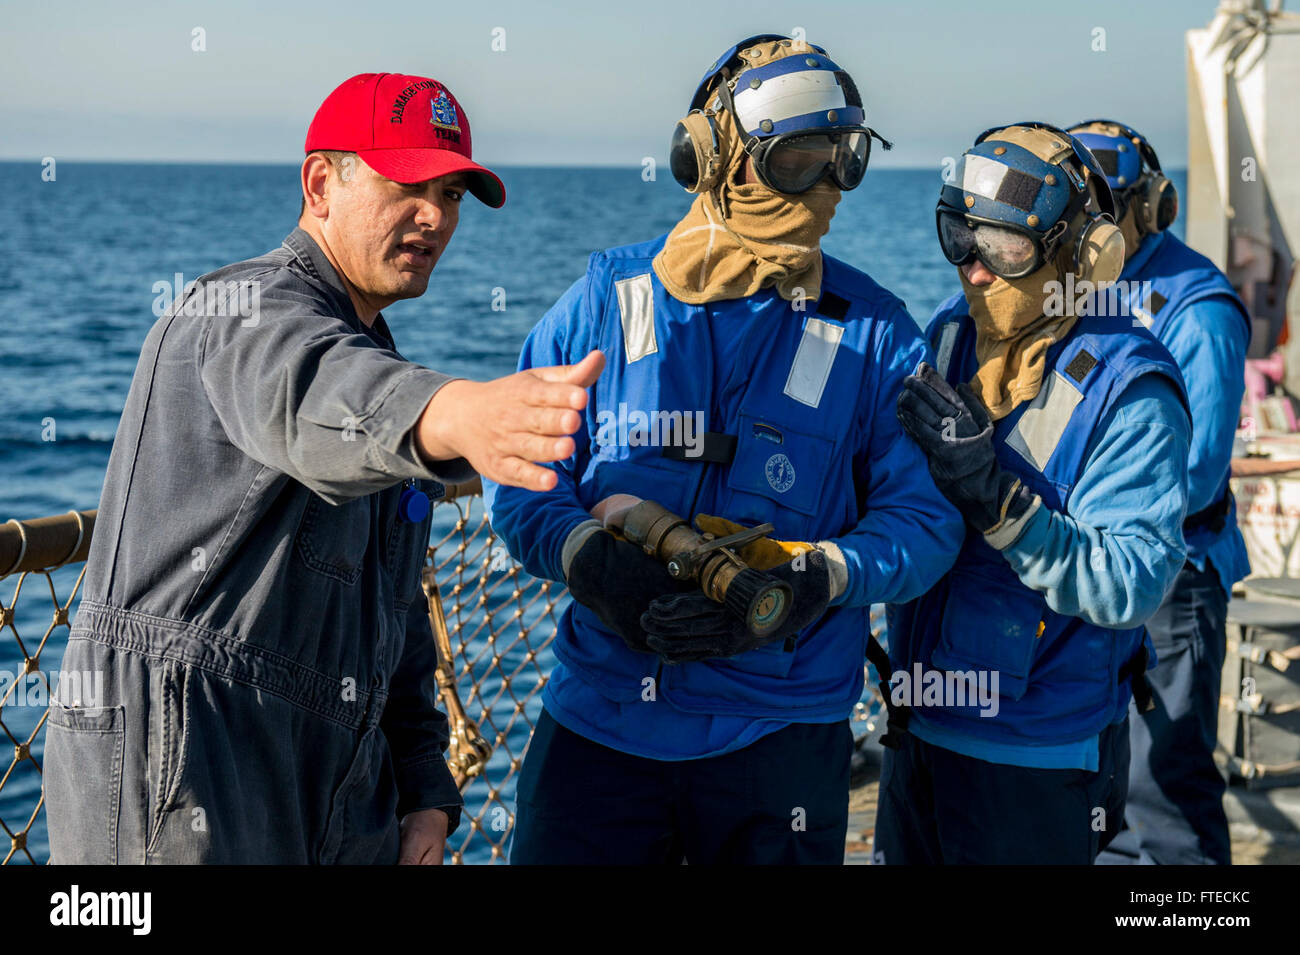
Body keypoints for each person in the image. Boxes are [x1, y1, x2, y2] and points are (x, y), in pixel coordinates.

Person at [42, 72, 603, 864]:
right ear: (319, 184)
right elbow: (309, 391)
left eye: (451, 194)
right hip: (185, 764)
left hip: (333, 779)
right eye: (409, 183)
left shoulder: (377, 358)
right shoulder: (238, 310)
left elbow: (393, 617)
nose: (436, 216)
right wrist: (457, 414)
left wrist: (426, 792)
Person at [483, 34, 965, 865]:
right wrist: (586, 556)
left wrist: (823, 576)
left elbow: (925, 521)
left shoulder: (878, 334)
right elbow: (520, 473)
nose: (824, 193)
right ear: (714, 159)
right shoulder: (606, 301)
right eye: (796, 162)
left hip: (780, 743)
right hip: (602, 724)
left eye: (842, 163)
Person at [876, 123, 1192, 864]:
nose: (975, 270)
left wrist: (999, 504)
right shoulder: (952, 337)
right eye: (960, 235)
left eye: (1006, 247)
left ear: (1079, 257)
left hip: (1034, 757)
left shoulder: (1131, 387)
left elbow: (1133, 584)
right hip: (920, 730)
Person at [1069, 119, 1250, 866]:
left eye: (1111, 205)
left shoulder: (1198, 308)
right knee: (1103, 786)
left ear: (1153, 205)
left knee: (1162, 790)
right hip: (1094, 574)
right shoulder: (1083, 294)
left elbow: (1199, 472)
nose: (1097, 224)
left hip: (1171, 583)